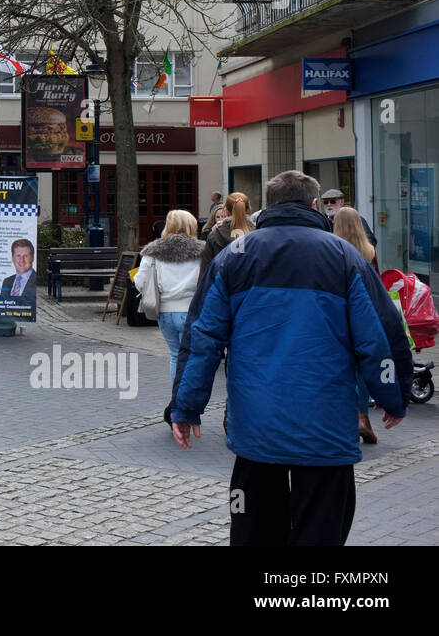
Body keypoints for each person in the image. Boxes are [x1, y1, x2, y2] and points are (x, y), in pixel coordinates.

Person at [171, 170, 412, 546]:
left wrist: (186, 407)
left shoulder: (234, 257)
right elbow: (380, 335)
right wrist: (394, 395)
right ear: (315, 204)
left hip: (255, 425)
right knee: (322, 530)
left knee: (252, 529)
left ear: (269, 204)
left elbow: (203, 338)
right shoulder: (344, 257)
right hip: (326, 426)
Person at [133, 209, 205, 422]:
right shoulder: (201, 251)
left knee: (175, 355)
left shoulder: (153, 251)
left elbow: (140, 282)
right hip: (191, 310)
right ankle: (184, 402)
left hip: (165, 311)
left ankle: (176, 399)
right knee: (190, 357)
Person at [334, 206, 384, 445]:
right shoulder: (369, 251)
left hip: (340, 314)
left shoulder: (332, 251)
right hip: (366, 313)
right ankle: (362, 416)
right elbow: (377, 283)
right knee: (362, 367)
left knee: (342, 367)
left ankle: (345, 418)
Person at [199, 192, 253, 275]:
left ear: (226, 210)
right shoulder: (258, 233)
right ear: (249, 209)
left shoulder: (215, 235)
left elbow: (205, 270)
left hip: (221, 281)